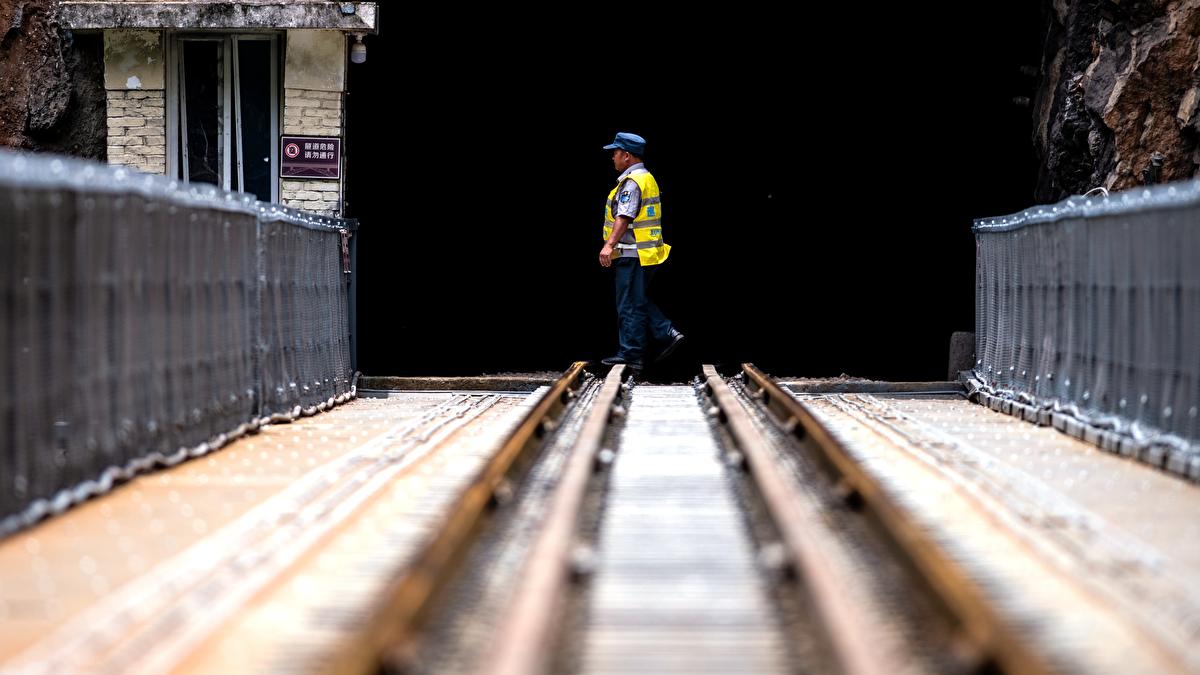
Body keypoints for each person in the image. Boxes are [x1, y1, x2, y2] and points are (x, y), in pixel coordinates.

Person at [598, 132, 684, 369]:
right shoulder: (646, 178)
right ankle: (657, 337)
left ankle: (634, 351)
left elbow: (624, 216)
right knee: (635, 300)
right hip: (643, 252)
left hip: (632, 252)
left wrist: (609, 245)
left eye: (615, 153)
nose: (612, 158)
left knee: (628, 303)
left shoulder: (632, 183)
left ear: (626, 155)